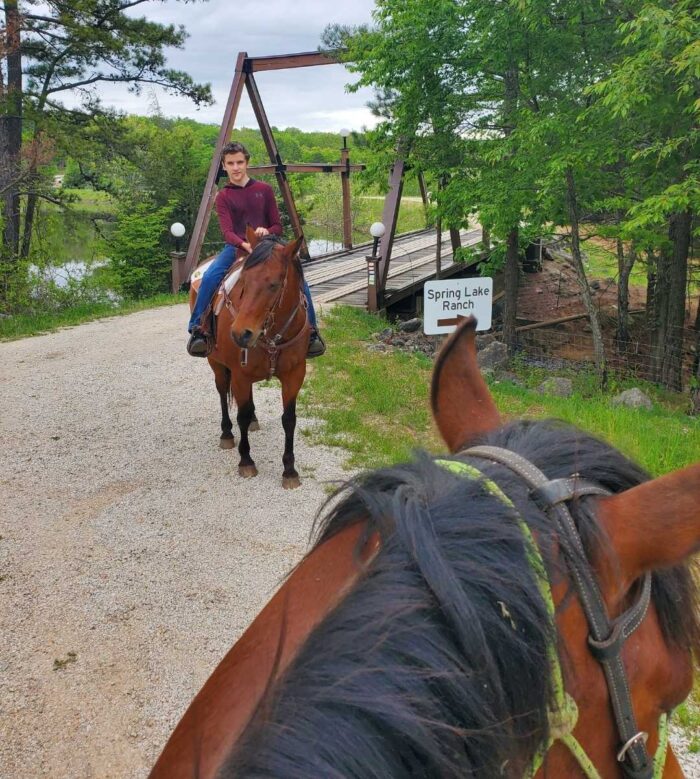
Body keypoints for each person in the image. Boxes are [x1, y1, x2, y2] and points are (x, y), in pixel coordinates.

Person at [187, 141, 325, 358]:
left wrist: (266, 231)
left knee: (300, 282)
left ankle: (312, 333)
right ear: (224, 166)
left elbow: (277, 225)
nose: (236, 167)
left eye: (239, 162)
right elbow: (227, 232)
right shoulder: (223, 196)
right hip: (237, 247)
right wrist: (244, 244)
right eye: (230, 163)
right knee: (211, 276)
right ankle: (198, 330)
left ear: (247, 163)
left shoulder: (264, 190)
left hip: (267, 248)